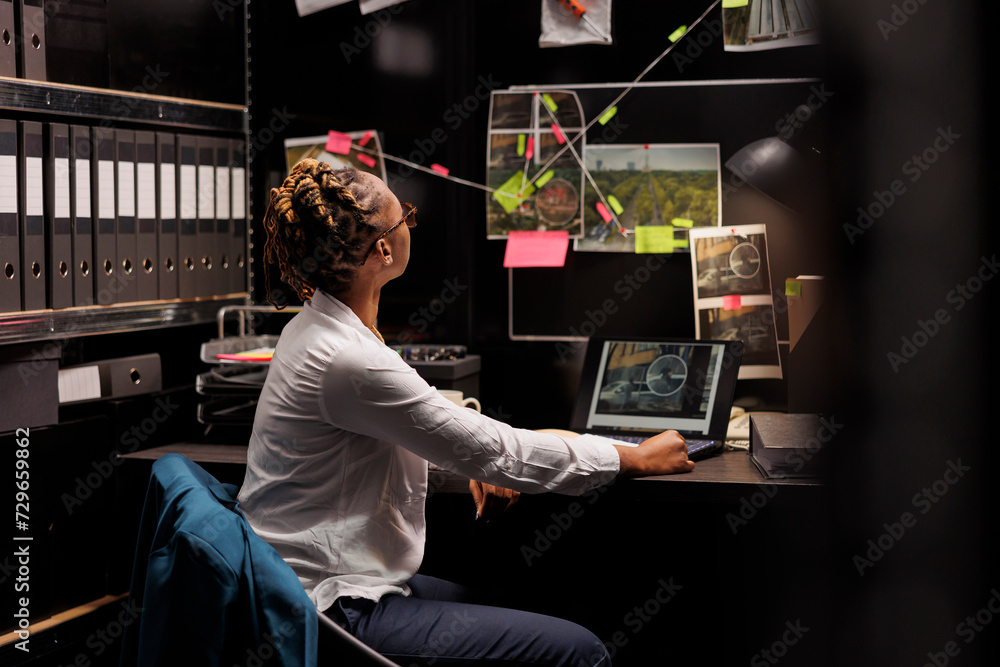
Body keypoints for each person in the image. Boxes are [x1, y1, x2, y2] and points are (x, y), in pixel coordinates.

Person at [237, 158, 694, 667]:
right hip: (333, 609)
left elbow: (430, 427)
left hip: (308, 587)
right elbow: (496, 449)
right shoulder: (347, 358)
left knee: (517, 603)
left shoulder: (315, 328)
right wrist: (631, 458)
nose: (412, 224)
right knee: (582, 653)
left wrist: (473, 456)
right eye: (404, 215)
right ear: (383, 249)